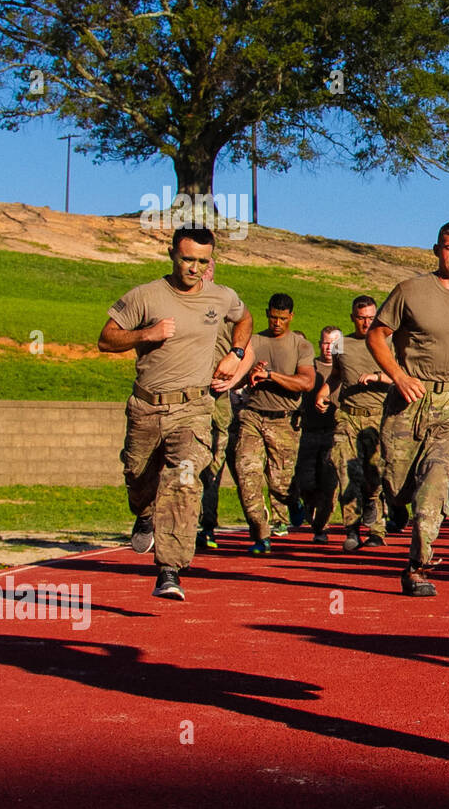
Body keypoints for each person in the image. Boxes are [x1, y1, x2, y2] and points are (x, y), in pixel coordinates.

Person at [97, 226, 253, 599]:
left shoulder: (221, 296)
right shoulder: (146, 296)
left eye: (202, 261)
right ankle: (145, 513)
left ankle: (170, 568)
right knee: (137, 477)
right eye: (187, 259)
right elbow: (105, 339)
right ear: (172, 254)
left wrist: (236, 354)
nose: (194, 268)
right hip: (147, 407)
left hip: (194, 407)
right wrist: (144, 335)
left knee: (184, 479)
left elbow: (243, 319)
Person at [369, 221, 449, 597]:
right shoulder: (410, 291)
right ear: (436, 250)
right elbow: (377, 334)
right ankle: (396, 508)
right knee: (397, 485)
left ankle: (417, 565)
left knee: (436, 481)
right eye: (448, 247)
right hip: (409, 399)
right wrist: (397, 376)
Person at [235, 294, 316, 554]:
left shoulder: (300, 346)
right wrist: (249, 375)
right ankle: (261, 535)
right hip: (252, 416)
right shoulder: (254, 342)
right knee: (247, 475)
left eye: (282, 318)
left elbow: (306, 383)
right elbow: (234, 378)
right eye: (272, 317)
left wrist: (270, 375)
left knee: (281, 484)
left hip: (284, 421)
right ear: (267, 313)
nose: (277, 323)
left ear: (291, 316)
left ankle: (293, 502)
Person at [318, 296, 392, 552]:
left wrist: (377, 377)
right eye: (361, 318)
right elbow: (336, 375)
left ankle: (376, 527)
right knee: (346, 472)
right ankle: (351, 529)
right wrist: (323, 392)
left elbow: (400, 377)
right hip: (347, 417)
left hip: (378, 416)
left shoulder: (387, 343)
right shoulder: (341, 344)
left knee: (375, 476)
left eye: (371, 318)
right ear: (352, 317)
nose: (366, 323)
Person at [197, 257, 254, 551]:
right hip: (181, 392)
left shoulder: (225, 303)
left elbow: (249, 352)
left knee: (212, 464)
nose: (203, 272)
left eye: (208, 267)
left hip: (216, 397)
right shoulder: (172, 299)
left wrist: (233, 381)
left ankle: (206, 526)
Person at [295, 327, 341, 544]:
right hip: (309, 431)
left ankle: (321, 527)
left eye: (333, 343)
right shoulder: (309, 367)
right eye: (325, 342)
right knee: (305, 481)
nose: (328, 348)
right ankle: (308, 508)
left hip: (335, 432)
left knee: (328, 484)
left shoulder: (345, 368)